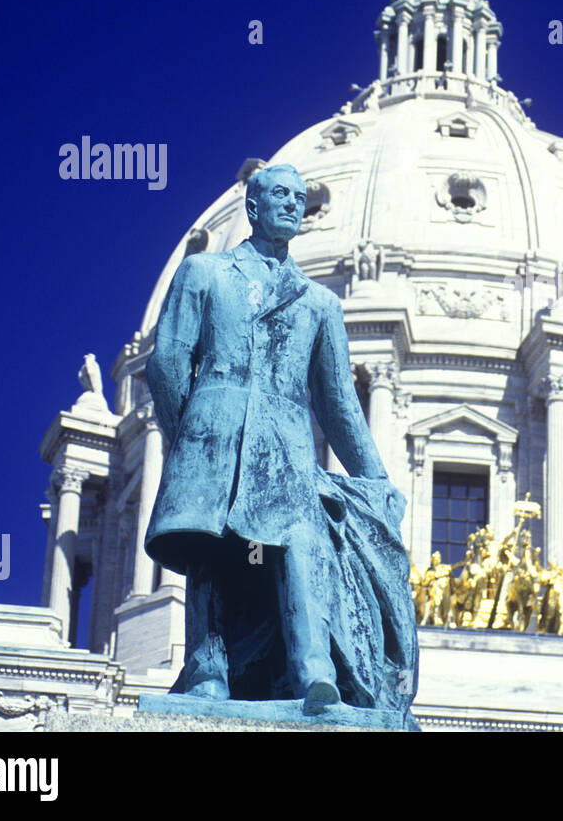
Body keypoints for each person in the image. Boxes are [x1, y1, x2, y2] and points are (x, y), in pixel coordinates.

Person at [144, 163, 416, 723]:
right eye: (280, 196)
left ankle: (314, 670)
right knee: (211, 552)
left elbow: (339, 403)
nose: (293, 205)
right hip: (212, 429)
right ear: (252, 207)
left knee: (302, 541)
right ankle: (207, 672)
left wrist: (375, 479)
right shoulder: (205, 271)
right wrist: (186, 437)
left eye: (300, 198)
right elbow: (168, 361)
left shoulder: (319, 302)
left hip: (287, 446)